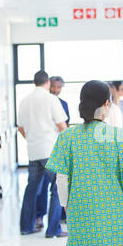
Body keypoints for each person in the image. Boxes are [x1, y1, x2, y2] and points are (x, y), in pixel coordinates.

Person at [46, 80, 123, 246]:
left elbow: (61, 180)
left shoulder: (67, 138)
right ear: (106, 104)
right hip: (115, 220)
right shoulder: (120, 137)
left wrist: (65, 205)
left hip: (82, 220)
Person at [18, 70, 68, 238]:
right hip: (50, 151)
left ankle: (26, 227)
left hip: (33, 152)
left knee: (31, 189)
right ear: (47, 82)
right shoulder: (51, 99)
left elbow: (20, 128)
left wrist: (32, 140)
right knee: (56, 189)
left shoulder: (24, 101)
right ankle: (53, 229)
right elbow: (62, 127)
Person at [35, 76, 69, 229]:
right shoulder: (44, 102)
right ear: (48, 85)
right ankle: (41, 218)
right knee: (44, 187)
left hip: (56, 149)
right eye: (53, 86)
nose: (56, 90)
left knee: (59, 186)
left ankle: (61, 217)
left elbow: (65, 127)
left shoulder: (63, 104)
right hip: (47, 149)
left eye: (59, 87)